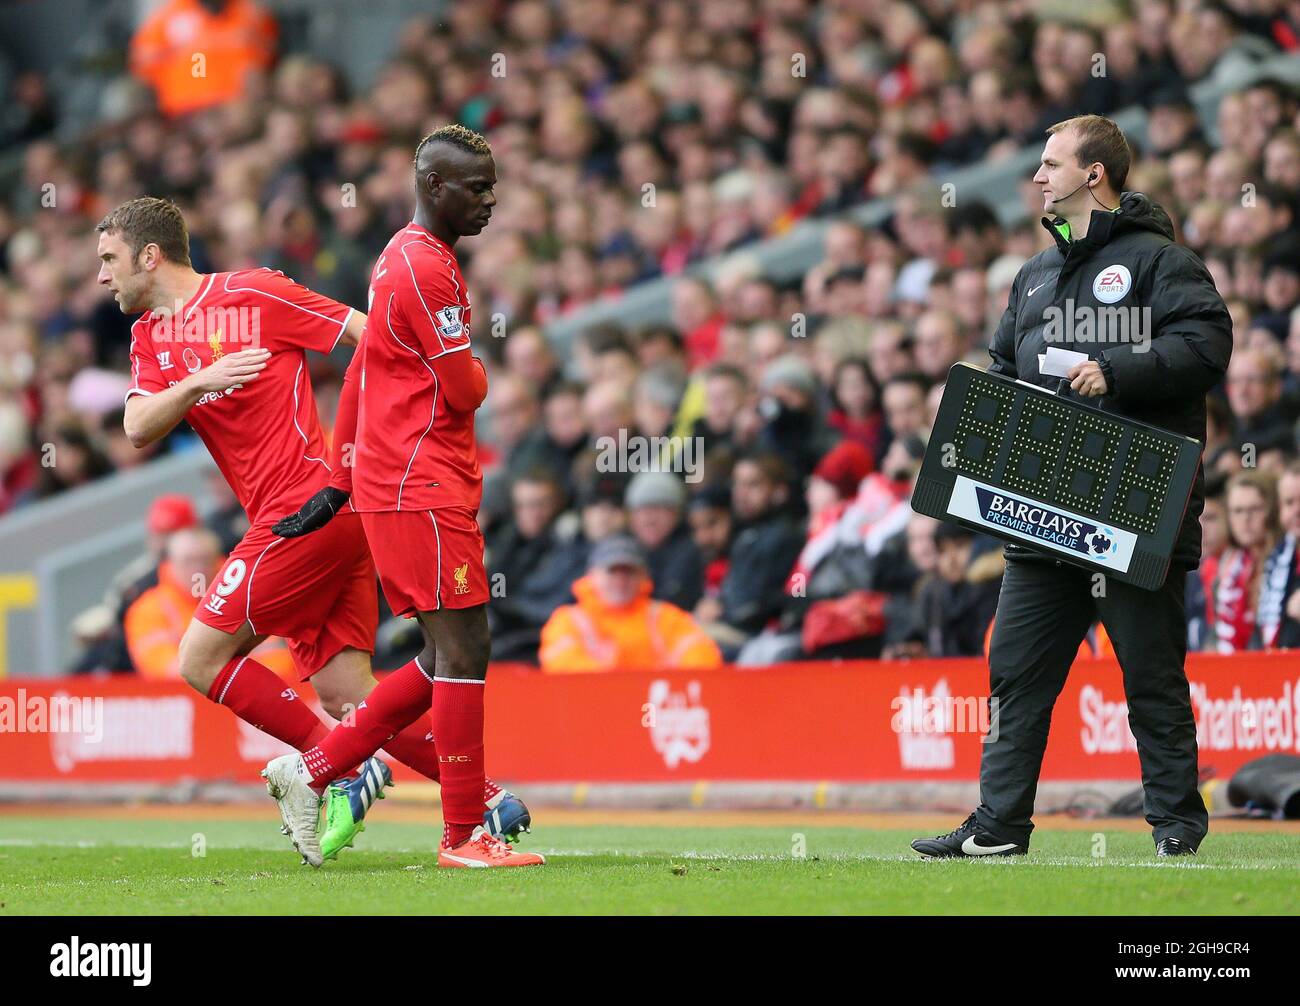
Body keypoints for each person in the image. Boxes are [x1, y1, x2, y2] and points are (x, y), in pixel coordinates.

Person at [100, 196, 524, 868]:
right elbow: (136, 426)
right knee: (349, 696)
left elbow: (368, 333)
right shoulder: (150, 335)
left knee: (198, 659)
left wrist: (402, 430)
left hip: (310, 509)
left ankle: (335, 769)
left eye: (110, 260)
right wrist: (201, 380)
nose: (102, 276)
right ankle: (485, 798)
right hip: (310, 522)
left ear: (149, 256)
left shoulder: (256, 292)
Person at [914, 114, 1232, 860]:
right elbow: (1003, 368)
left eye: (1051, 163)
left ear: (1095, 174)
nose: (1036, 177)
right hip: (1041, 513)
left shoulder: (1161, 262)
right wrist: (973, 410)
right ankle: (998, 826)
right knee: (1016, 676)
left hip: (1132, 507)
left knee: (1150, 675)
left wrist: (1118, 370)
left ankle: (1176, 826)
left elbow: (1207, 344)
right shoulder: (1033, 274)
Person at [268, 125, 542, 868]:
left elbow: (364, 373)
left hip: (400, 481)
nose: (489, 199)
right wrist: (477, 369)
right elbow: (464, 388)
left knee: (439, 652)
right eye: (474, 187)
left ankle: (313, 769)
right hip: (421, 482)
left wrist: (340, 472)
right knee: (465, 646)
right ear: (432, 186)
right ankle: (462, 835)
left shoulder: (398, 255)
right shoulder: (427, 269)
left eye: (492, 185)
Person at [125, 526, 293, 679]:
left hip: (247, 696)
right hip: (186, 704)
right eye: (188, 561)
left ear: (217, 560)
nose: (198, 568)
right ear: (170, 564)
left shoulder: (247, 599)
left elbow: (277, 659)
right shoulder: (147, 609)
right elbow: (160, 667)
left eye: (205, 560)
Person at [538, 535, 722, 673]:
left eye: (629, 572)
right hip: (589, 711)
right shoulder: (569, 620)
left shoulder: (664, 616)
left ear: (643, 576)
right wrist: (618, 684)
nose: (620, 580)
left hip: (654, 712)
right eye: (612, 571)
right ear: (592, 574)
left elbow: (702, 656)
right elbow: (560, 663)